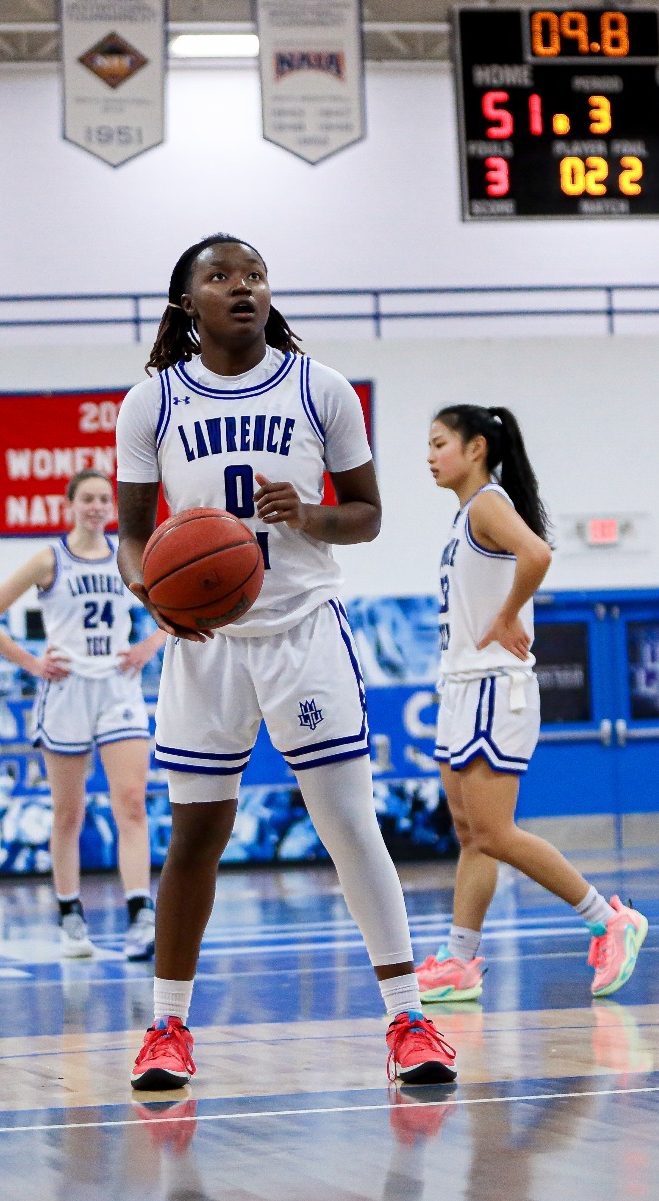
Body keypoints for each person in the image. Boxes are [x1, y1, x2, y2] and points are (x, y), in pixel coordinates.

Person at [114, 235, 455, 1089]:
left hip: (303, 626)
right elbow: (131, 538)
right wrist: (151, 593)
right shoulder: (151, 402)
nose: (243, 287)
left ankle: (409, 1018)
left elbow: (368, 514)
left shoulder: (319, 387)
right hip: (207, 644)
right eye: (221, 276)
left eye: (255, 275)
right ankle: (167, 1028)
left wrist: (308, 513)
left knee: (347, 822)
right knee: (196, 835)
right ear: (187, 301)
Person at [411, 405, 649, 1007]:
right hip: (461, 685)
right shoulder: (466, 514)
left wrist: (510, 613)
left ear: (476, 448)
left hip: (495, 685)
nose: (430, 456)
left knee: (494, 831)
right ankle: (459, 961)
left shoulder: (488, 504)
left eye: (439, 443)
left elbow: (538, 554)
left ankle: (609, 920)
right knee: (471, 835)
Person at [0, 471, 165, 960]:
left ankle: (141, 914)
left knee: (132, 804)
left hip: (117, 688)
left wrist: (149, 645)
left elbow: (176, 609)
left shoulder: (130, 556)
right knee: (68, 813)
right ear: (70, 504)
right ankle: (70, 913)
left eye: (104, 498)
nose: (97, 506)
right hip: (66, 691)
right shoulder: (49, 559)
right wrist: (33, 663)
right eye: (88, 498)